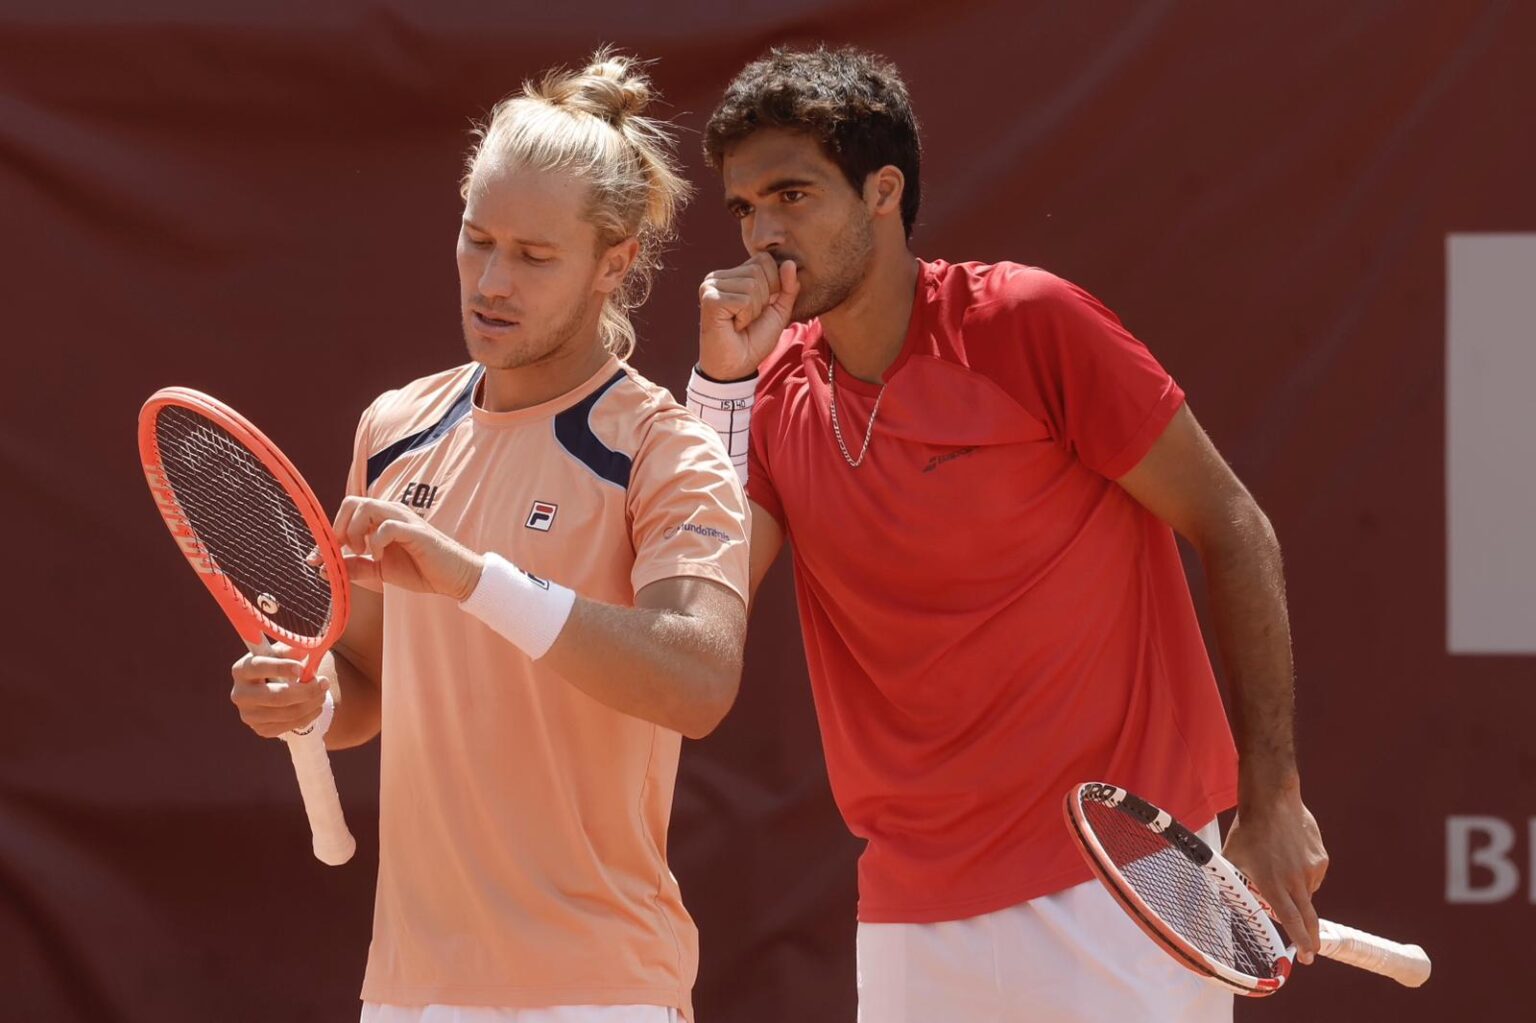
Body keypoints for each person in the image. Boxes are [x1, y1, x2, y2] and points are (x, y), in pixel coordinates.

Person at [685, 45, 1328, 1022]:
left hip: (1124, 884)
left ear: (883, 192)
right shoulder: (772, 393)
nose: (763, 236)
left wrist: (1272, 798)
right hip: (910, 906)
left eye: (792, 196)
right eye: (743, 208)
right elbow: (699, 610)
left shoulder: (1029, 326)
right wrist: (720, 390)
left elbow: (1233, 525)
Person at [229, 50, 749, 1023]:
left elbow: (699, 679)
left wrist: (477, 581)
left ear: (617, 263)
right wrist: (302, 700)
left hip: (598, 991)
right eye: (477, 240)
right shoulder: (392, 430)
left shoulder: (663, 450)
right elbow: (364, 689)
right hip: (410, 990)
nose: (492, 282)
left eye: (535, 256)